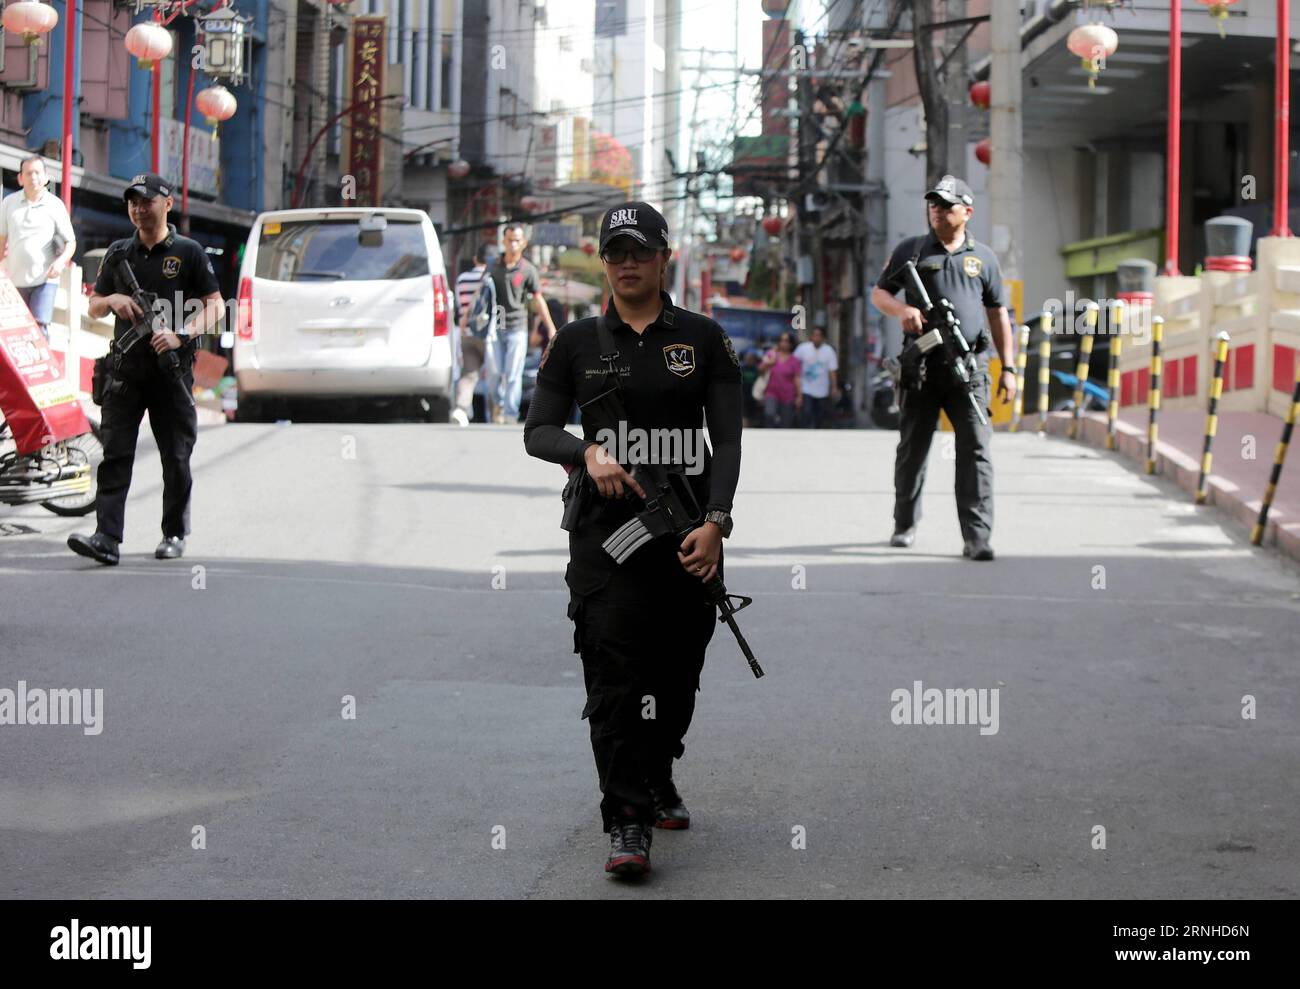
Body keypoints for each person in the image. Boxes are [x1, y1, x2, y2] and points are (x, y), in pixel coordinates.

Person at [523, 201, 743, 878]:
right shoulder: (578, 343)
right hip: (604, 540)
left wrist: (716, 521)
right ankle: (627, 820)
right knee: (615, 680)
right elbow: (537, 430)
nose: (625, 264)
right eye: (614, 253)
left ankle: (656, 769)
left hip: (688, 537)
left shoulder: (705, 340)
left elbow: (726, 438)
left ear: (662, 257)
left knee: (675, 680)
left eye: (637, 252)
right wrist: (586, 452)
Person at [67, 173, 225, 566]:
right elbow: (94, 305)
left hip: (170, 373)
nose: (139, 208)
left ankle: (173, 533)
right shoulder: (119, 253)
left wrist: (181, 335)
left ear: (167, 204)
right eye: (133, 202)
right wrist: (114, 299)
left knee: (175, 457)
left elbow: (216, 306)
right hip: (125, 372)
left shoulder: (188, 252)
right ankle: (106, 537)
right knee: (115, 454)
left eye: (147, 201)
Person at [870, 174, 1016, 561]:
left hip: (970, 370)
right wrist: (902, 309)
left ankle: (977, 537)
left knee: (976, 450)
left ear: (967, 212)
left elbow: (998, 313)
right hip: (921, 369)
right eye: (933, 204)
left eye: (946, 204)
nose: (937, 210)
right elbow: (879, 292)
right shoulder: (912, 251)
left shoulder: (982, 257)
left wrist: (1011, 369)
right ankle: (904, 523)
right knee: (913, 449)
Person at [486, 223, 557, 423]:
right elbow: (480, 293)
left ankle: (509, 413)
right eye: (509, 240)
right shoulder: (493, 265)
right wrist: (468, 317)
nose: (513, 244)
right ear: (503, 241)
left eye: (517, 240)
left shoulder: (528, 270)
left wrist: (550, 327)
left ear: (523, 243)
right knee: (494, 373)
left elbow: (538, 299)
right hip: (495, 325)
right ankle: (498, 404)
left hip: (517, 326)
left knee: (513, 373)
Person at [0, 156, 76, 339]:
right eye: (28, 173)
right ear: (20, 178)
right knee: (16, 330)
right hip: (15, 281)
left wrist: (59, 263)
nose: (33, 177)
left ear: (46, 177)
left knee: (39, 327)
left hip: (45, 280)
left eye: (37, 173)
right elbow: (2, 239)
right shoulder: (8, 203)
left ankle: (41, 366)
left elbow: (71, 243)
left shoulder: (55, 205)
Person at [450, 244, 499, 426]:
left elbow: (459, 307)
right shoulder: (493, 277)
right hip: (491, 334)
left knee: (469, 373)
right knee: (496, 375)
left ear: (475, 259)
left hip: (468, 332)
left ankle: (461, 409)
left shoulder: (462, 278)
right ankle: (496, 413)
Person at [793, 325, 839, 428]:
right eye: (814, 335)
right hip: (806, 388)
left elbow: (832, 370)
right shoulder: (803, 349)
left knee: (820, 416)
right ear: (811, 337)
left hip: (822, 390)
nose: (816, 338)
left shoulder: (829, 351)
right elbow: (794, 364)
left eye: (819, 336)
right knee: (807, 413)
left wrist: (834, 387)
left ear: (823, 337)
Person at [758, 331, 801, 428]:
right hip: (771, 392)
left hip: (788, 395)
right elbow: (760, 370)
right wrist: (769, 363)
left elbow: (797, 378)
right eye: (781, 340)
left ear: (791, 344)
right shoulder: (771, 354)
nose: (784, 343)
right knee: (769, 415)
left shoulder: (794, 360)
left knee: (786, 422)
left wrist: (799, 396)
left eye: (786, 341)